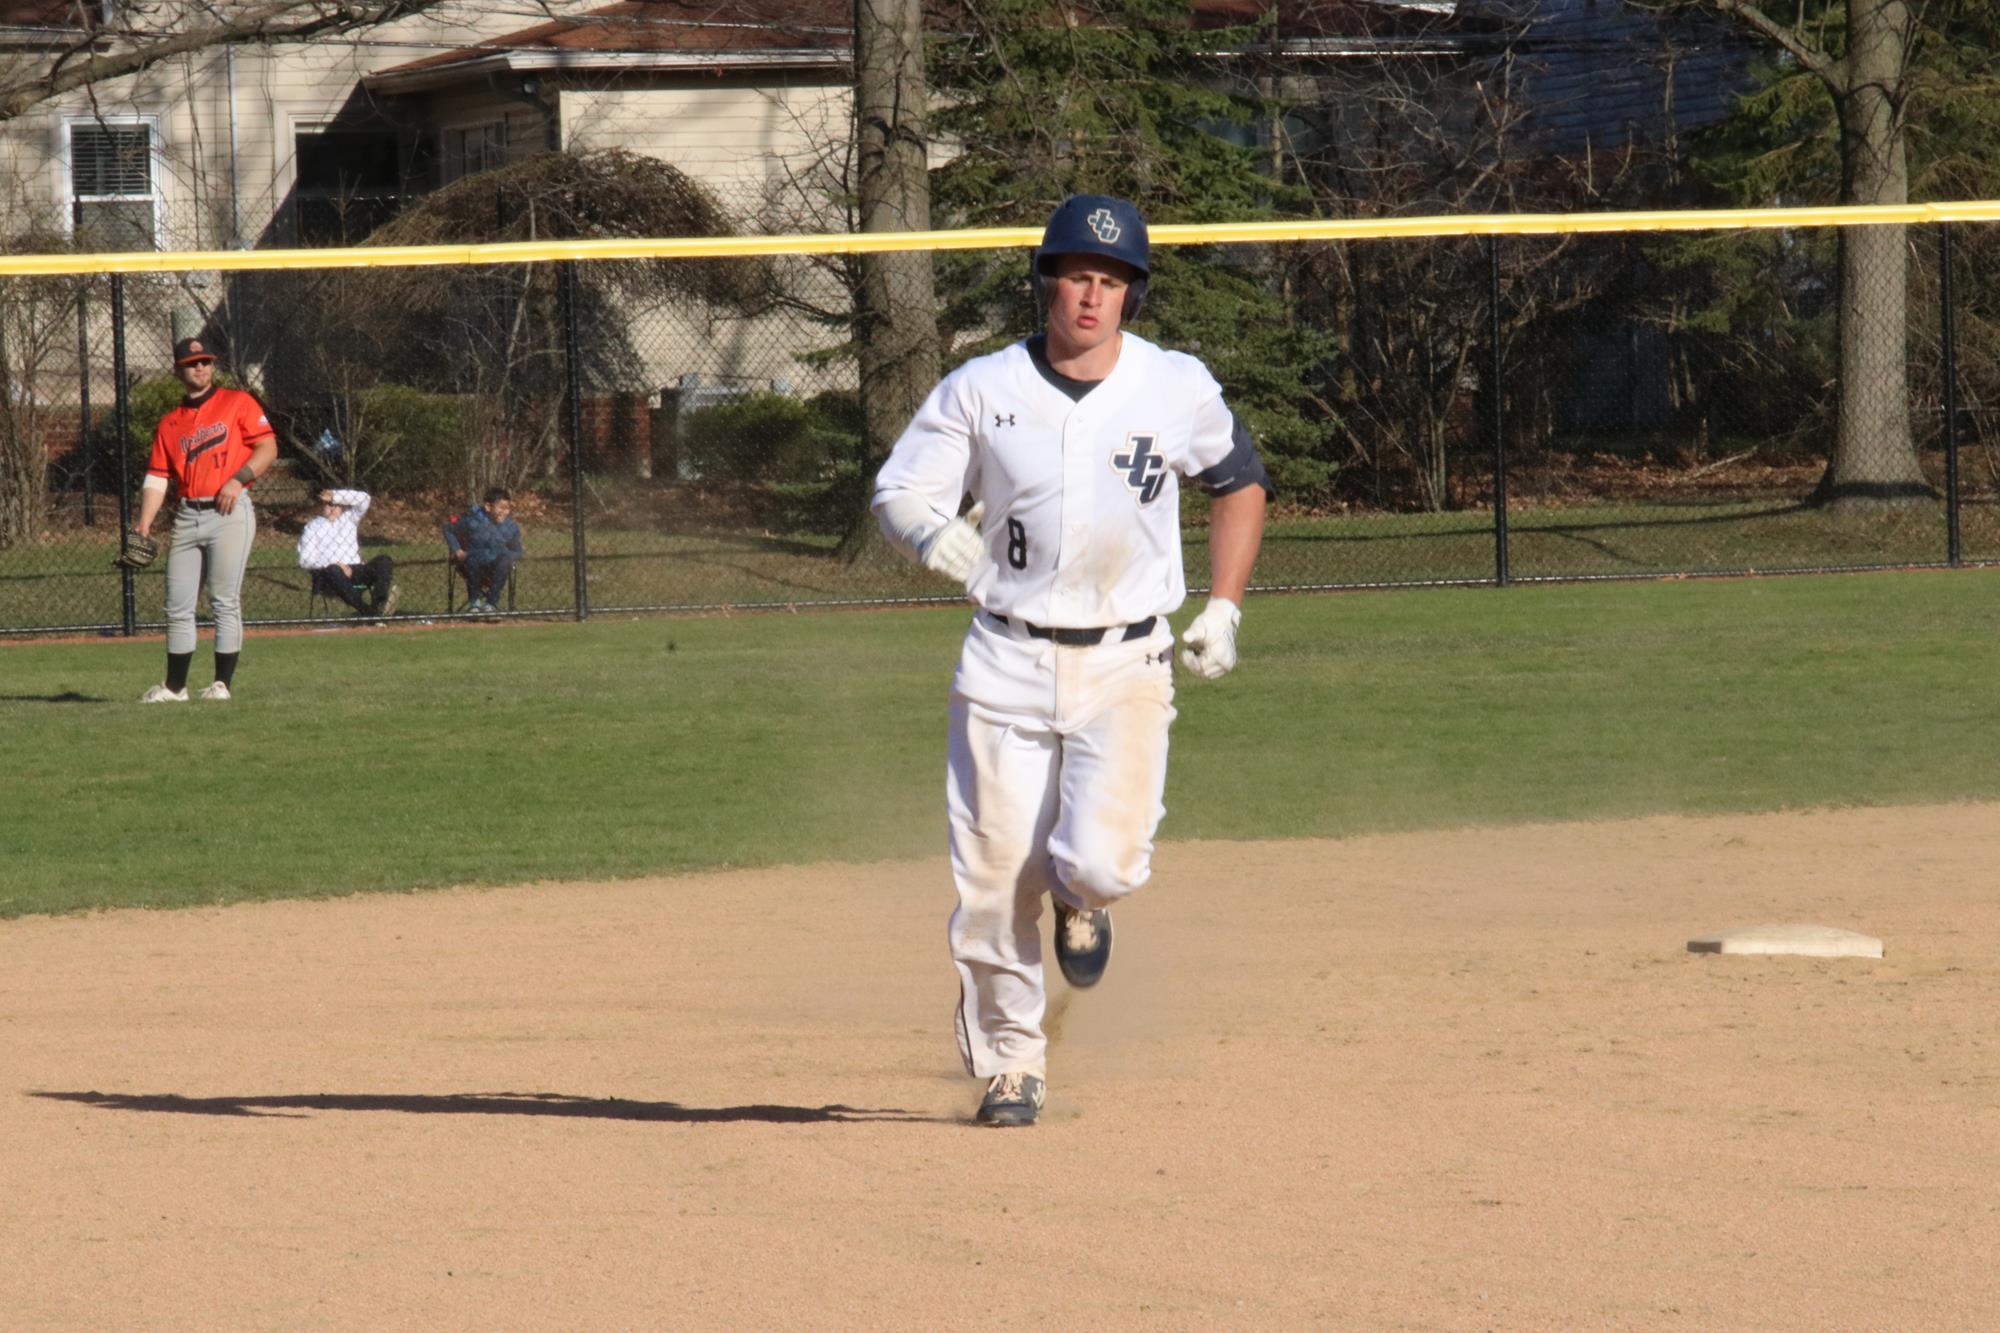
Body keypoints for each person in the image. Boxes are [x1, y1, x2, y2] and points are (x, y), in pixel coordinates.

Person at [871, 194, 1270, 1127]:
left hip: (1127, 660)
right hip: (1004, 662)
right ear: (1046, 282)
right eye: (1077, 276)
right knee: (991, 882)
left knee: (1097, 861)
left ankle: (1083, 900)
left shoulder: (1173, 385)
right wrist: (936, 538)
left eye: (1112, 280)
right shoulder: (982, 387)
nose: (1093, 296)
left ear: (1131, 293)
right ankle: (1013, 1062)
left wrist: (1224, 605)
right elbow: (899, 491)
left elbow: (1239, 480)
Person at [133, 335, 278, 703]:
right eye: (192, 363)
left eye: (206, 361)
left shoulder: (238, 402)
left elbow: (268, 447)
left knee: (223, 599)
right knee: (177, 603)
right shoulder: (170, 424)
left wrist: (238, 478)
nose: (201, 367)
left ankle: (221, 685)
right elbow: (157, 476)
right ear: (178, 369)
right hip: (187, 515)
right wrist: (144, 522)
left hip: (229, 512)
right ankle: (175, 687)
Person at [298, 488, 398, 618]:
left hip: (356, 570)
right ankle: (366, 611)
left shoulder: (349, 518)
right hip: (329, 575)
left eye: (337, 505)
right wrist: (336, 565)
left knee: (384, 560)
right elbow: (305, 560)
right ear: (321, 506)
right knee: (333, 570)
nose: (333, 509)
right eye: (329, 505)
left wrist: (335, 496)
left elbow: (364, 499)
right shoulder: (312, 527)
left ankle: (379, 604)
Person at [443, 488, 524, 615]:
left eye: (507, 508)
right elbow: (448, 529)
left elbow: (517, 551)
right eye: (501, 508)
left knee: (504, 560)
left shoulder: (511, 527)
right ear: (488, 507)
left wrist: (508, 556)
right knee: (472, 559)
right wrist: (457, 550)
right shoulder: (473, 521)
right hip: (472, 564)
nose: (504, 512)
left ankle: (490, 605)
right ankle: (474, 603)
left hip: (497, 568)